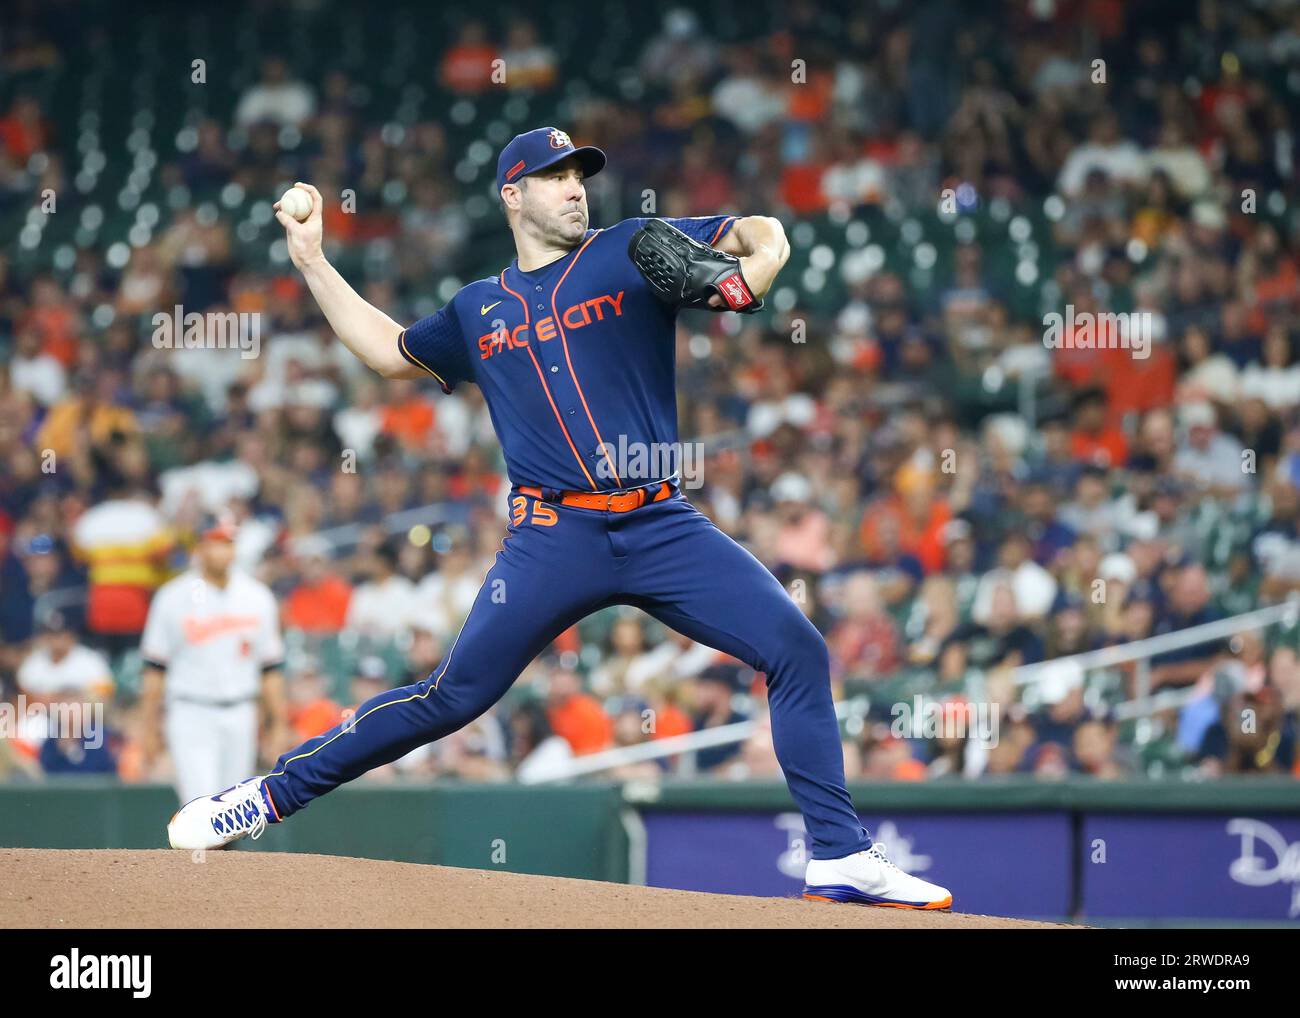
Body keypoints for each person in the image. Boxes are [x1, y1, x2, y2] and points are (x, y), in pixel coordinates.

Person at [165, 127, 952, 910]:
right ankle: (264, 799)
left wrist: (767, 243)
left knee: (796, 649)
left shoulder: (632, 248)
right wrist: (311, 261)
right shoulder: (479, 309)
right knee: (450, 697)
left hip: (660, 523)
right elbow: (387, 351)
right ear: (513, 194)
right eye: (554, 176)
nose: (575, 187)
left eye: (580, 173)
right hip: (553, 538)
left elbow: (751, 237)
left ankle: (840, 855)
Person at [139, 517, 290, 804]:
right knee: (200, 803)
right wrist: (147, 727)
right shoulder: (173, 597)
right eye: (217, 542)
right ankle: (202, 851)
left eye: (229, 542)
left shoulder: (257, 596)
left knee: (235, 807)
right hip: (190, 710)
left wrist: (278, 723)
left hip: (242, 711)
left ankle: (223, 850)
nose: (223, 550)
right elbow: (155, 669)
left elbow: (270, 668)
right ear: (200, 545)